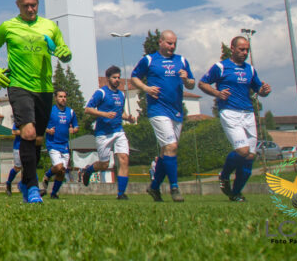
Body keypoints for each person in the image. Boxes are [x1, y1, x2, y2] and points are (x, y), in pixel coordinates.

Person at [0, 0, 71, 204]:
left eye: (34, 5)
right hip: (19, 86)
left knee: (38, 139)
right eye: (26, 6)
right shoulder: (8, 26)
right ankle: (32, 187)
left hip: (44, 89)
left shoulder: (50, 27)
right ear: (18, 5)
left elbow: (63, 50)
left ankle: (25, 182)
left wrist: (65, 54)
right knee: (29, 133)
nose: (31, 9)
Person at [198, 36, 272, 202]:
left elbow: (258, 89)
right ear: (232, 48)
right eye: (241, 49)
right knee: (243, 151)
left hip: (248, 113)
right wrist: (217, 93)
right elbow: (202, 83)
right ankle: (224, 175)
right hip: (229, 112)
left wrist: (264, 90)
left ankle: (235, 193)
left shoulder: (250, 70)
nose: (245, 53)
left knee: (250, 156)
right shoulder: (221, 67)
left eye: (247, 50)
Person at [130, 30, 195, 203]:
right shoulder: (150, 60)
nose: (172, 47)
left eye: (174, 43)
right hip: (157, 110)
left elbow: (192, 83)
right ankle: (174, 187)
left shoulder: (181, 61)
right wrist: (146, 89)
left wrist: (187, 79)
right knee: (171, 147)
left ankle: (154, 186)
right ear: (160, 42)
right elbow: (134, 78)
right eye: (169, 43)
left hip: (176, 111)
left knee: (166, 152)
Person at [80, 66, 137, 200]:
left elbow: (120, 112)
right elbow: (87, 109)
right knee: (104, 164)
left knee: (124, 159)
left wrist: (128, 117)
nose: (117, 80)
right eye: (114, 78)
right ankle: (88, 171)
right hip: (103, 134)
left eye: (118, 77)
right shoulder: (101, 93)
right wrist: (103, 114)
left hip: (118, 131)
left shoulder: (121, 94)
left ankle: (121, 193)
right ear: (108, 79)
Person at [41, 90, 79, 199]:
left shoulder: (70, 112)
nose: (63, 99)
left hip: (64, 145)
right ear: (56, 98)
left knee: (62, 171)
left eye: (65, 96)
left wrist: (74, 130)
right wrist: (48, 130)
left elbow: (76, 126)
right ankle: (47, 175)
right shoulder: (50, 110)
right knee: (59, 167)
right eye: (60, 96)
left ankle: (54, 193)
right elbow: (41, 124)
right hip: (52, 144)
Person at [4, 125, 21, 196]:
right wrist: (24, 132)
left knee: (29, 167)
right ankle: (8, 183)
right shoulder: (19, 120)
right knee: (17, 168)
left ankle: (26, 186)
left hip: (28, 146)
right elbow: (13, 131)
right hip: (18, 147)